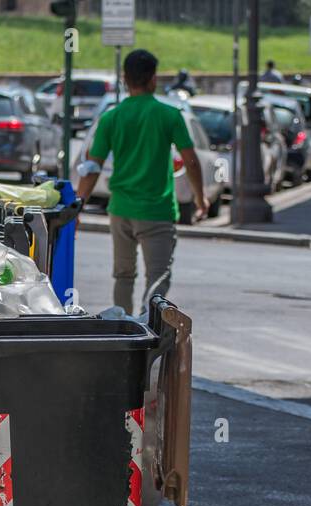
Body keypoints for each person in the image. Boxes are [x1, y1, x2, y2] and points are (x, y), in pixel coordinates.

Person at [76, 49, 206, 311]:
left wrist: (78, 205)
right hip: (156, 211)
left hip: (121, 209)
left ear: (125, 78)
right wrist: (200, 197)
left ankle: (123, 329)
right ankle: (151, 331)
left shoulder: (111, 118)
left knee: (123, 276)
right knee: (157, 278)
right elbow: (191, 161)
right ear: (153, 79)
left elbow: (92, 168)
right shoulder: (169, 115)